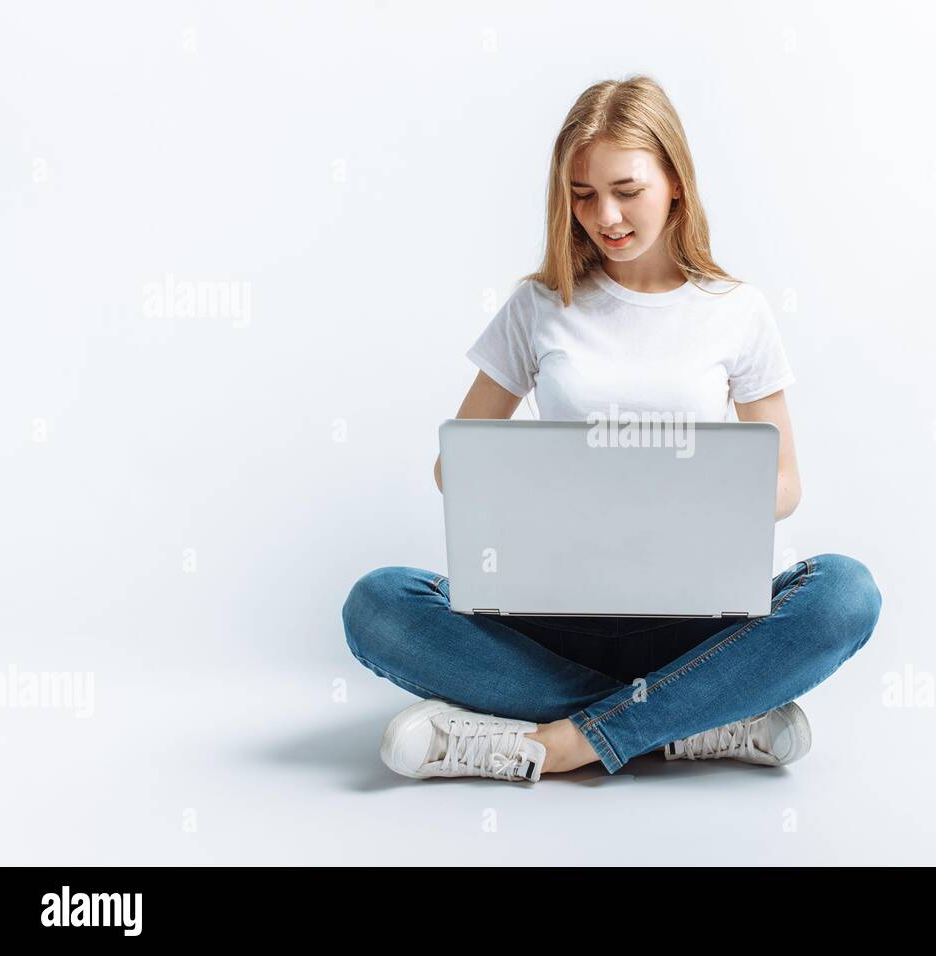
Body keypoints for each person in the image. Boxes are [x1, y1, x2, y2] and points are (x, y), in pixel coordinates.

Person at [342, 74, 882, 784]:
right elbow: (455, 465)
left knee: (846, 593)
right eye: (584, 194)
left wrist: (693, 501)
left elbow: (785, 486)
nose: (607, 215)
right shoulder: (539, 305)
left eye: (627, 190)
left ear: (676, 182)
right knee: (379, 605)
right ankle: (694, 719)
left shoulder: (736, 309)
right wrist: (526, 489)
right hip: (553, 617)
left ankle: (559, 740)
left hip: (697, 622)